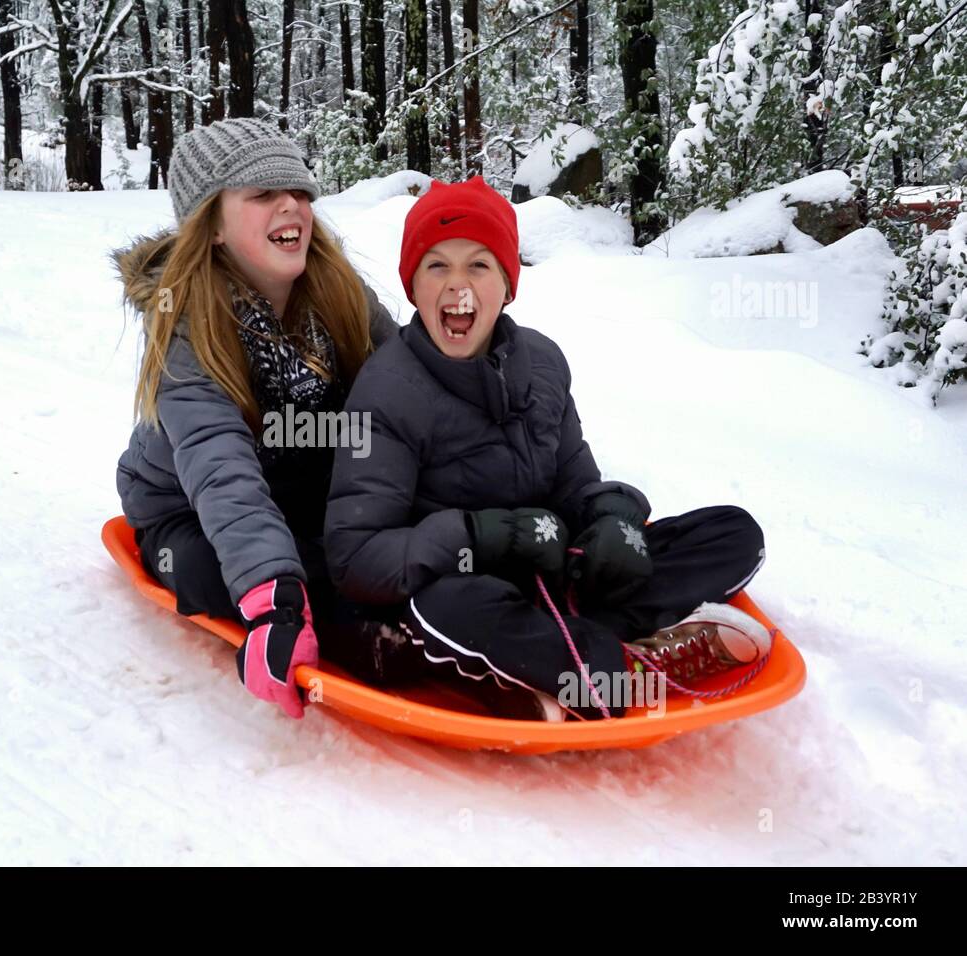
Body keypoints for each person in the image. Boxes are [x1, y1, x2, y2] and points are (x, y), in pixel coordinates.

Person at [323, 176, 772, 721]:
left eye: (479, 266)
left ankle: (581, 651)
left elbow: (576, 481)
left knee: (733, 533)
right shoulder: (388, 391)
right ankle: (614, 669)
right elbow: (355, 557)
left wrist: (613, 519)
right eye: (437, 266)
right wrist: (477, 536)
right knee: (441, 607)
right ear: (412, 285)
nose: (457, 287)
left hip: (556, 574)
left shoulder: (542, 363)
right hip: (472, 587)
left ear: (508, 285)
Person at [115, 117, 403, 719]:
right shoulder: (187, 327)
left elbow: (410, 390)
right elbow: (220, 468)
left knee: (393, 541)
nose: (291, 207)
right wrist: (273, 598)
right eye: (263, 194)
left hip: (302, 488)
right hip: (192, 510)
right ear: (212, 225)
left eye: (298, 192)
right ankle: (372, 643)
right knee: (236, 573)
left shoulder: (338, 290)